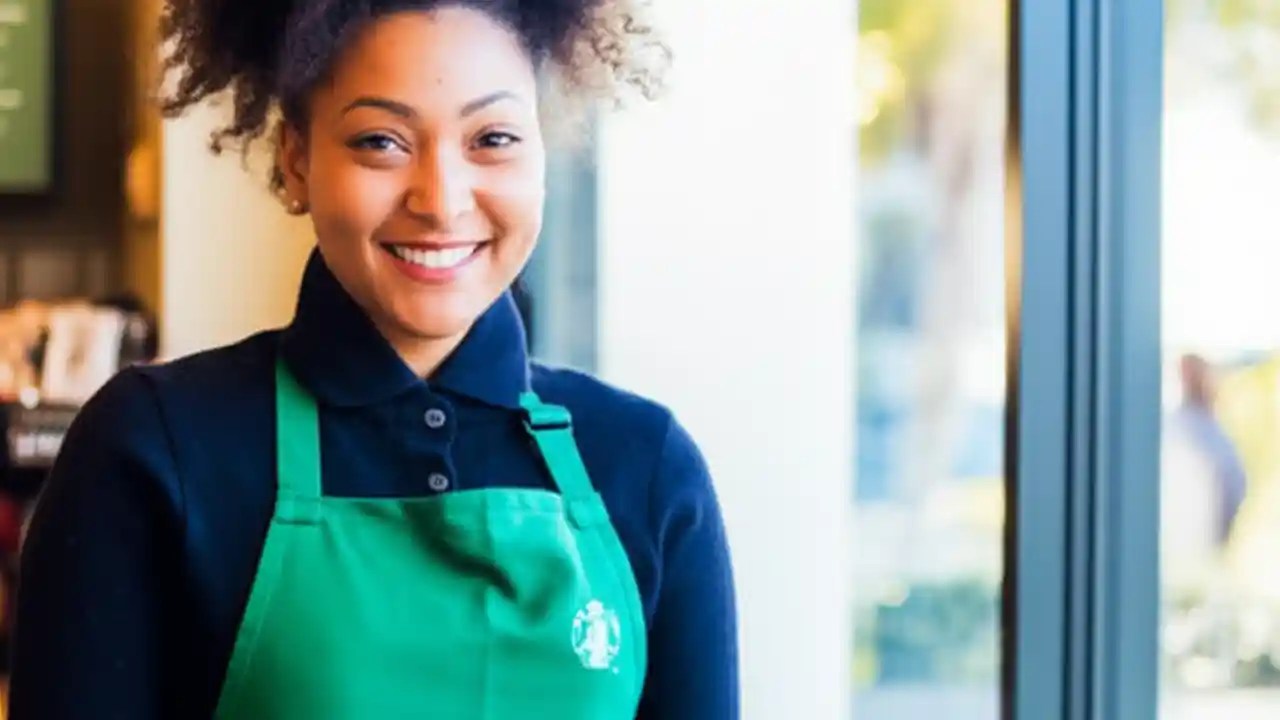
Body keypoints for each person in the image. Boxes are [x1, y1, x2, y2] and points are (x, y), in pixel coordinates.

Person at [8, 2, 738, 718]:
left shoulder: (646, 467)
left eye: (494, 137)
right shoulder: (153, 450)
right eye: (382, 142)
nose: (443, 201)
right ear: (296, 160)